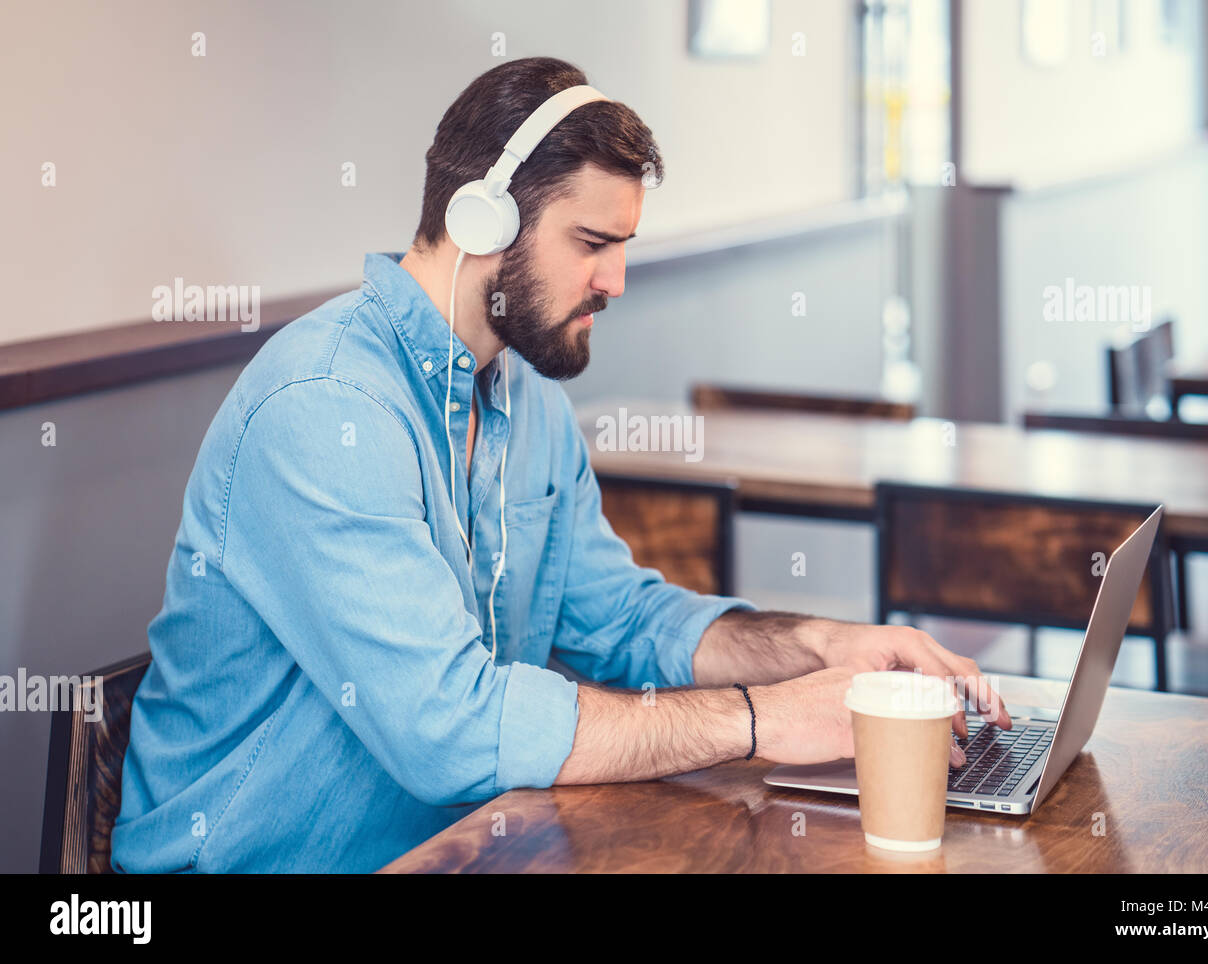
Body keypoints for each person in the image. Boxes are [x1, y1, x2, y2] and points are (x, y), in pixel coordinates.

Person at [111, 56, 1008, 873]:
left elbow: (617, 619)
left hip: (469, 847)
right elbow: (451, 730)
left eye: (624, 247)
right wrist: (767, 719)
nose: (617, 282)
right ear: (482, 218)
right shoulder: (323, 406)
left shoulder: (525, 396)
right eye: (592, 243)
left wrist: (817, 646)